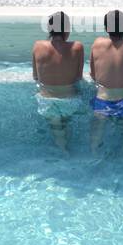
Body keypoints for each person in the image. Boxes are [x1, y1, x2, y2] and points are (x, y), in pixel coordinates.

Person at [89, 9, 123, 155]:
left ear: (106, 28)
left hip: (102, 101)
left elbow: (93, 75)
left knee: (96, 137)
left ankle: (94, 157)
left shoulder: (97, 44)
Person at [32, 11, 84, 152]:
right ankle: (64, 147)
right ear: (66, 29)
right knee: (65, 125)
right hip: (69, 101)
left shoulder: (37, 46)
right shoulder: (77, 47)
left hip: (46, 102)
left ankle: (62, 149)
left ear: (50, 29)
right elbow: (78, 77)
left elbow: (36, 77)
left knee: (56, 128)